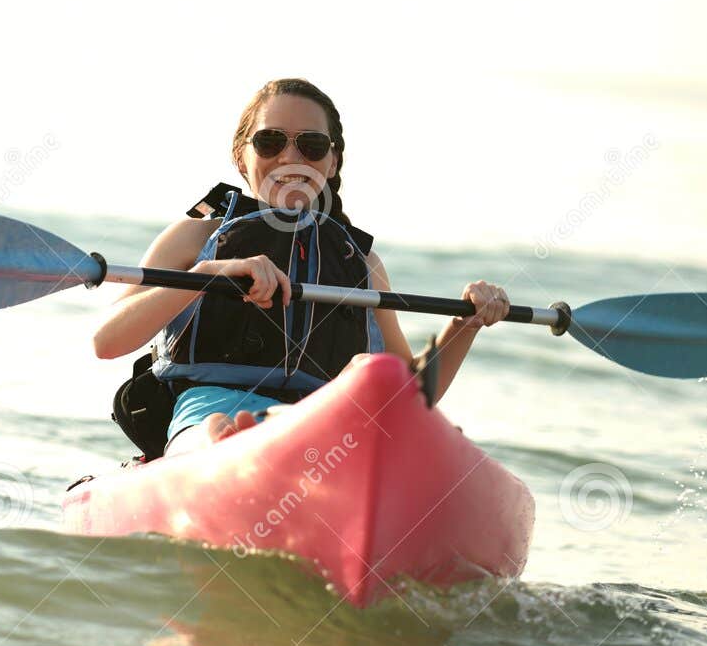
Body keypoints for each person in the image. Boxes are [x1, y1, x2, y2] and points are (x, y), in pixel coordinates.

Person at [92, 78, 511, 456]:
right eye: (270, 141)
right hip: (209, 414)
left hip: (321, 425)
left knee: (379, 409)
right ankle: (242, 442)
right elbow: (107, 341)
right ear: (241, 157)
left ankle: (278, 435)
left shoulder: (360, 263)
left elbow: (411, 394)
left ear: (331, 163)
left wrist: (464, 325)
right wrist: (208, 276)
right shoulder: (196, 237)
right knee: (217, 431)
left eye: (310, 145)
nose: (289, 156)